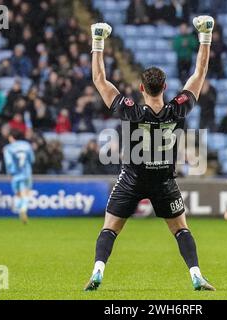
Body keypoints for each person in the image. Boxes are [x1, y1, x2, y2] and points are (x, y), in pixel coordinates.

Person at [85, 16, 216, 291]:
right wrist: (205, 35)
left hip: (132, 179)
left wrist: (98, 41)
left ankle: (97, 271)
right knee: (181, 229)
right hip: (163, 181)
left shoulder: (130, 109)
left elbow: (99, 79)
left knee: (109, 229)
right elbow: (199, 73)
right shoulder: (177, 109)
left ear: (142, 88)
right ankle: (195, 275)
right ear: (165, 88)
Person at [3, 129, 35, 224]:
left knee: (18, 194)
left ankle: (18, 207)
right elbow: (32, 159)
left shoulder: (8, 148)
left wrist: (10, 172)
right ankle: (23, 208)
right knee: (26, 193)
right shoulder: (27, 146)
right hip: (26, 173)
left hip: (15, 174)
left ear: (12, 138)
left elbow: (8, 163)